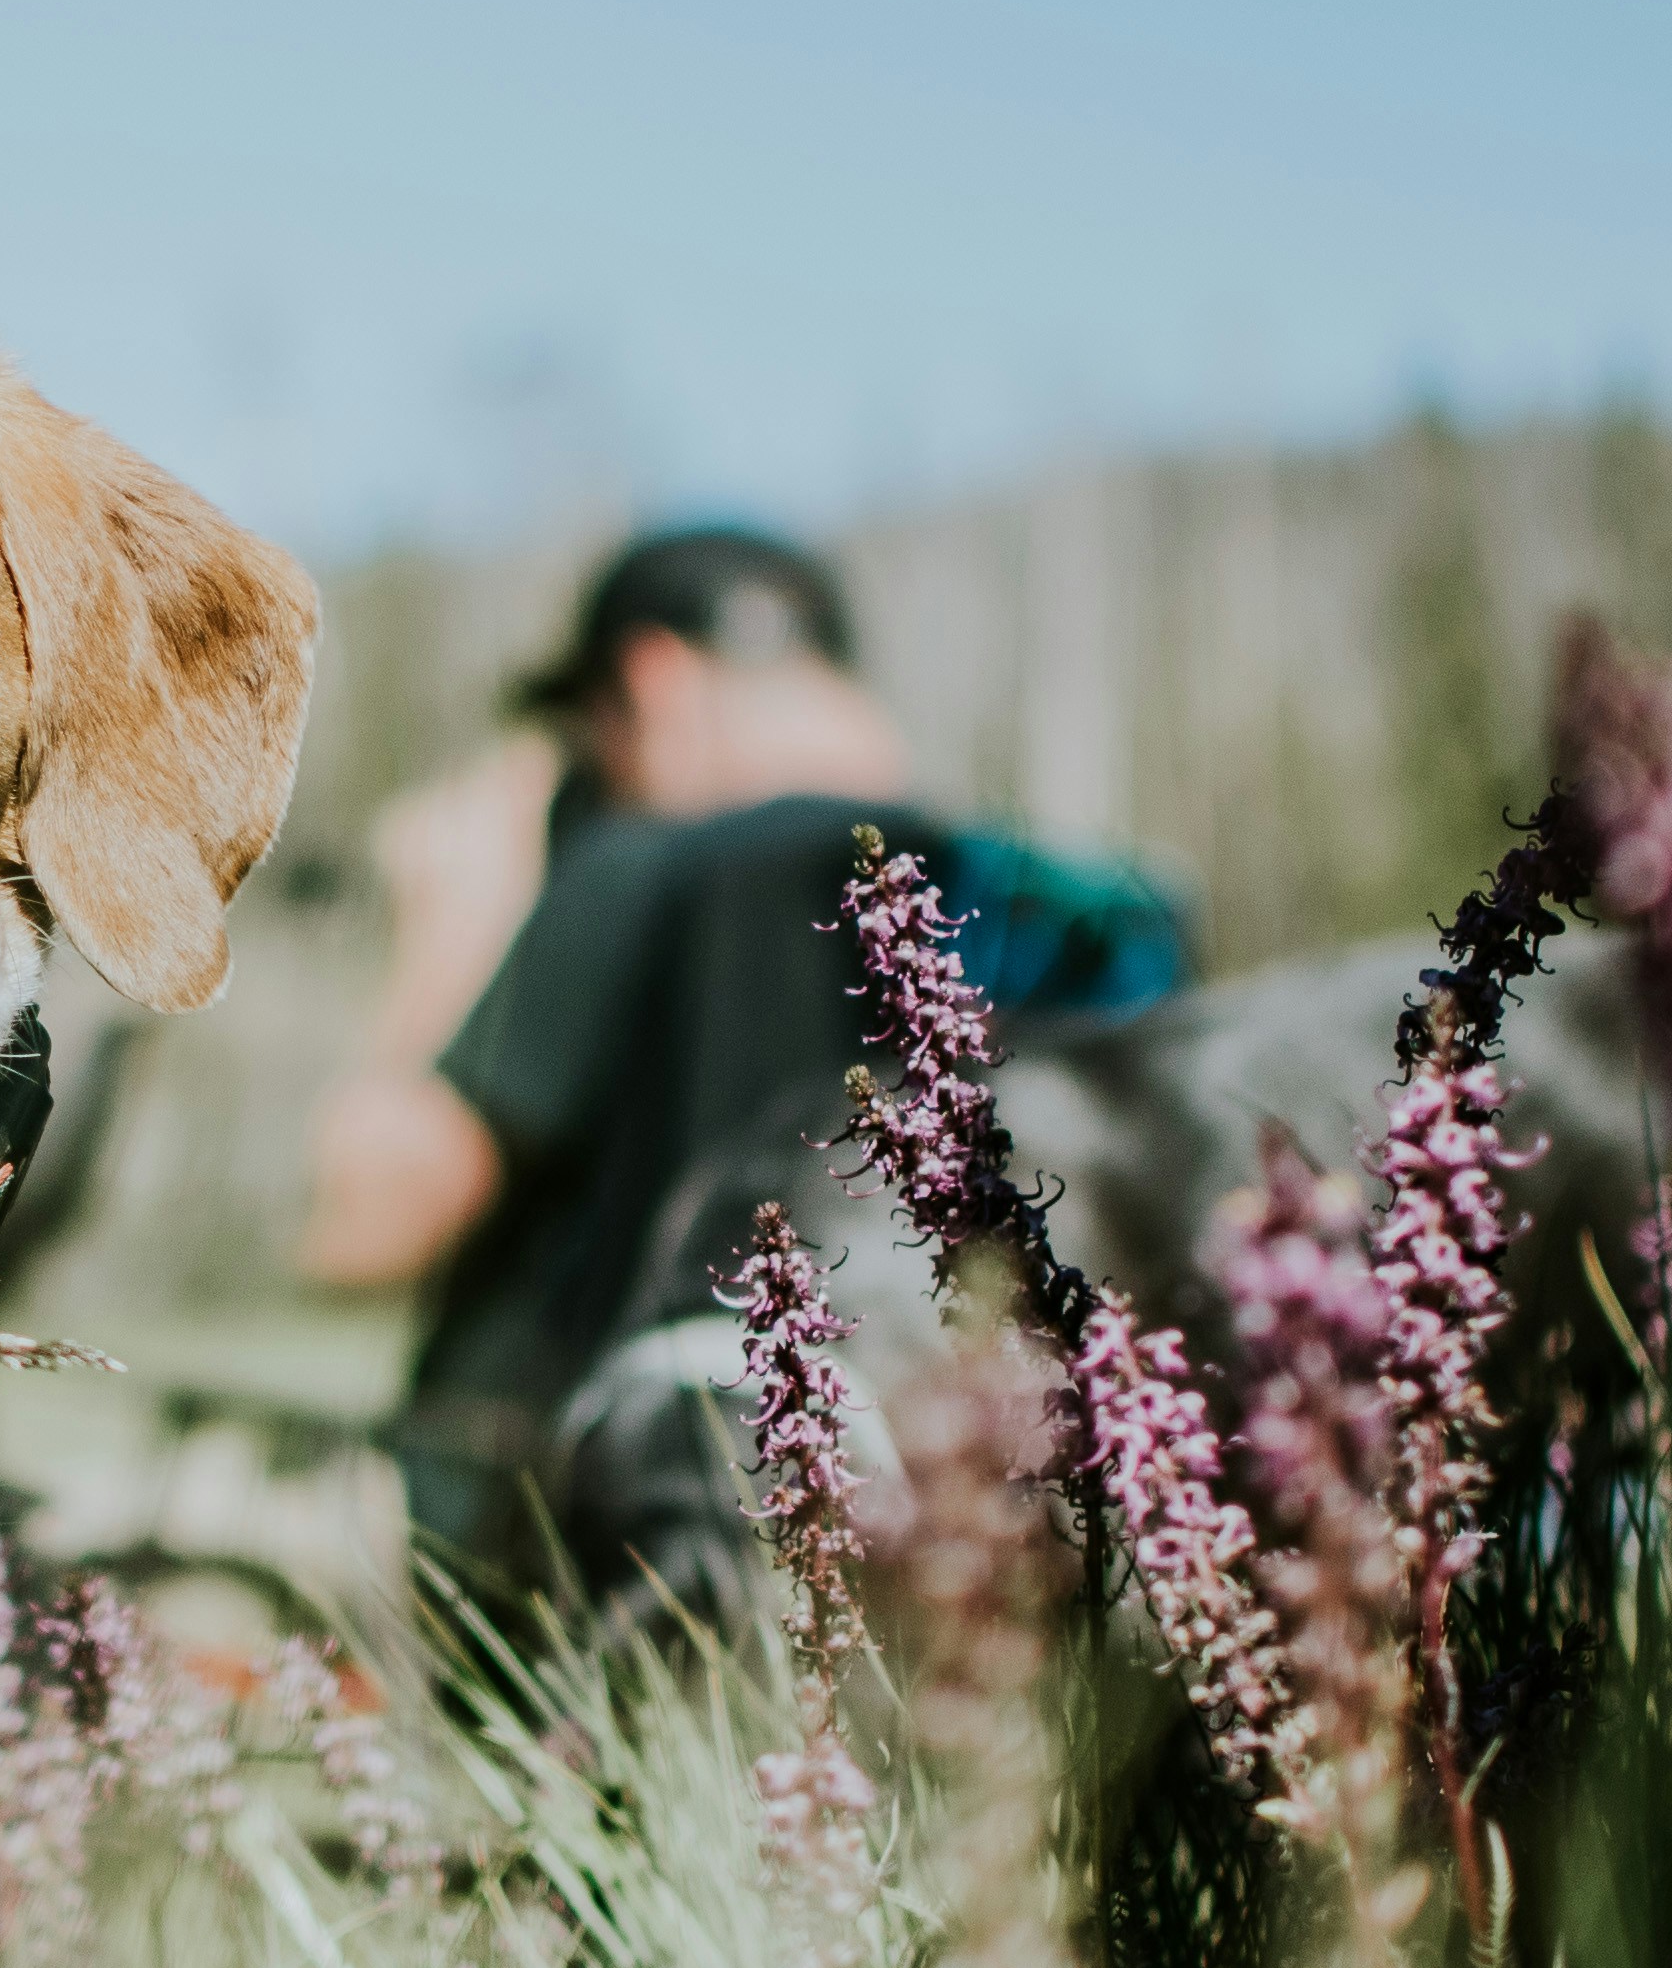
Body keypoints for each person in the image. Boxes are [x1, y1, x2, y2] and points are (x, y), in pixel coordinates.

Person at [297, 526, 1188, 1615]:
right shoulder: (1046, 898)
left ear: (653, 681)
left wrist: (448, 921)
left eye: (590, 740)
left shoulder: (638, 866)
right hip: (992, 1576)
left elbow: (362, 1227)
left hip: (630, 1597)